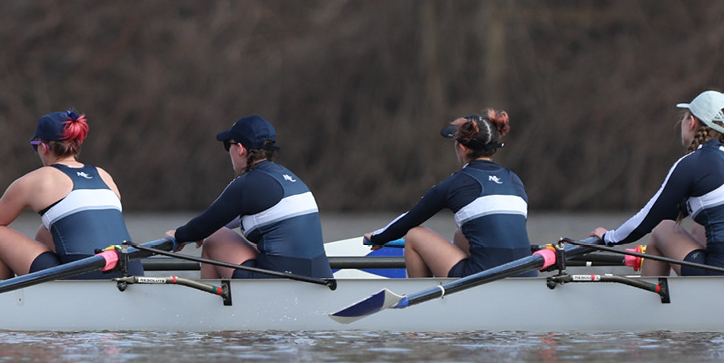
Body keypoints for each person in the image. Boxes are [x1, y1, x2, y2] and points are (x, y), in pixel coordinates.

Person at [591, 91, 724, 277]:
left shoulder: (693, 163)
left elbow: (647, 219)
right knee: (699, 228)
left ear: (691, 122)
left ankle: (649, 305)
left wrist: (609, 238)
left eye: (684, 118)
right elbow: (675, 209)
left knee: (663, 229)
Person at [0, 110, 138, 280]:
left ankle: (3, 313)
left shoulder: (38, 180)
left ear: (44, 146)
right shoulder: (104, 176)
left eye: (34, 146)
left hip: (85, 275)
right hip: (131, 267)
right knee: (44, 232)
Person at [364, 110, 530, 278]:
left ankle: (424, 303)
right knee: (461, 234)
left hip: (484, 276)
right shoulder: (514, 180)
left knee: (415, 235)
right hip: (527, 272)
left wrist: (379, 238)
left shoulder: (457, 183)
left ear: (463, 147)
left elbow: (409, 219)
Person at [169, 116, 332, 280]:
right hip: (321, 278)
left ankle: (208, 303)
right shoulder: (287, 176)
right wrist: (198, 232)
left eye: (228, 145)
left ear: (240, 148)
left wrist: (178, 236)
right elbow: (217, 221)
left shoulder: (247, 184)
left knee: (214, 237)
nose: (228, 152)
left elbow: (204, 225)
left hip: (283, 284)